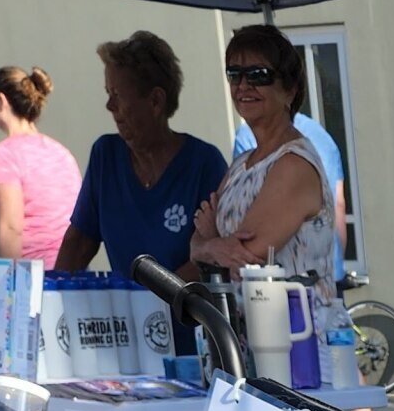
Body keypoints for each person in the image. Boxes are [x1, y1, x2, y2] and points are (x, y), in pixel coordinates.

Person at [55, 32, 228, 285]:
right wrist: (50, 298)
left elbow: (213, 256)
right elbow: (79, 242)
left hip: (188, 320)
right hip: (126, 321)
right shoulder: (105, 156)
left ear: (155, 101)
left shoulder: (204, 163)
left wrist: (157, 299)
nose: (109, 106)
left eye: (117, 94)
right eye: (107, 93)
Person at [189, 27, 335, 300]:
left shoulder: (294, 164)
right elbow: (196, 247)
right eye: (234, 74)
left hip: (297, 332)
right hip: (250, 331)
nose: (243, 85)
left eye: (258, 75)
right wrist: (212, 245)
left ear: (290, 90)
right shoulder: (242, 164)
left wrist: (209, 241)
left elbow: (248, 258)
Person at [233, 104, 348, 286]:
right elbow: (338, 204)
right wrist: (336, 263)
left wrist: (208, 246)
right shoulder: (322, 136)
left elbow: (239, 203)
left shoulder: (247, 137)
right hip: (328, 274)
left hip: (273, 291)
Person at [0, 67, 81, 266]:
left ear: (1, 100)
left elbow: (11, 227)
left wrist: (10, 281)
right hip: (74, 273)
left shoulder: (4, 154)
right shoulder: (61, 153)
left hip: (35, 277)